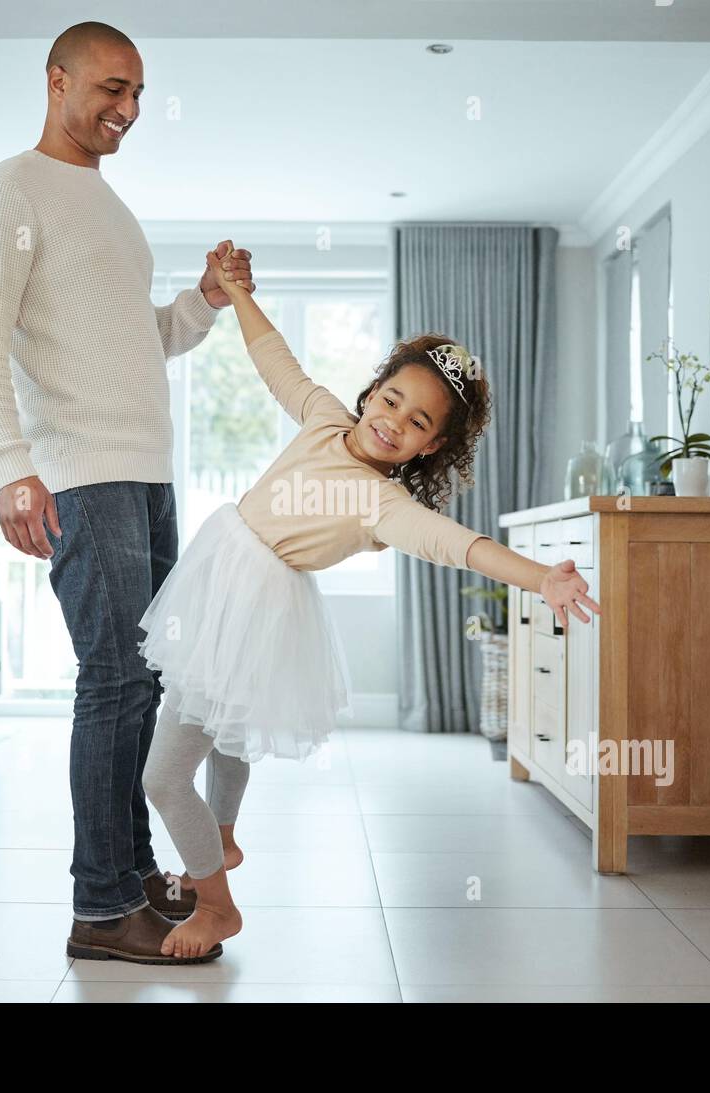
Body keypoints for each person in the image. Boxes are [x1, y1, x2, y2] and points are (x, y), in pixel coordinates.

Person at [139, 252, 602, 959]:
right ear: (372, 390)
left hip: (256, 602)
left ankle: (216, 907)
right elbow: (274, 358)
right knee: (229, 731)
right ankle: (223, 837)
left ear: (432, 444)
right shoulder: (324, 417)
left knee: (164, 776)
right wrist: (233, 290)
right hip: (229, 583)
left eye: (417, 422)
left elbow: (461, 544)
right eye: (391, 400)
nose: (393, 423)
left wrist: (542, 577)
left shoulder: (384, 503)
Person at [0, 21, 256, 966]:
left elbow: (143, 339)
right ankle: (99, 903)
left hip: (147, 475)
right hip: (81, 475)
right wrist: (10, 465)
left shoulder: (110, 210)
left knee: (145, 685)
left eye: (136, 98)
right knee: (115, 681)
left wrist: (202, 297)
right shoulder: (6, 195)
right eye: (110, 89)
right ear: (57, 80)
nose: (124, 111)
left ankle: (130, 876)